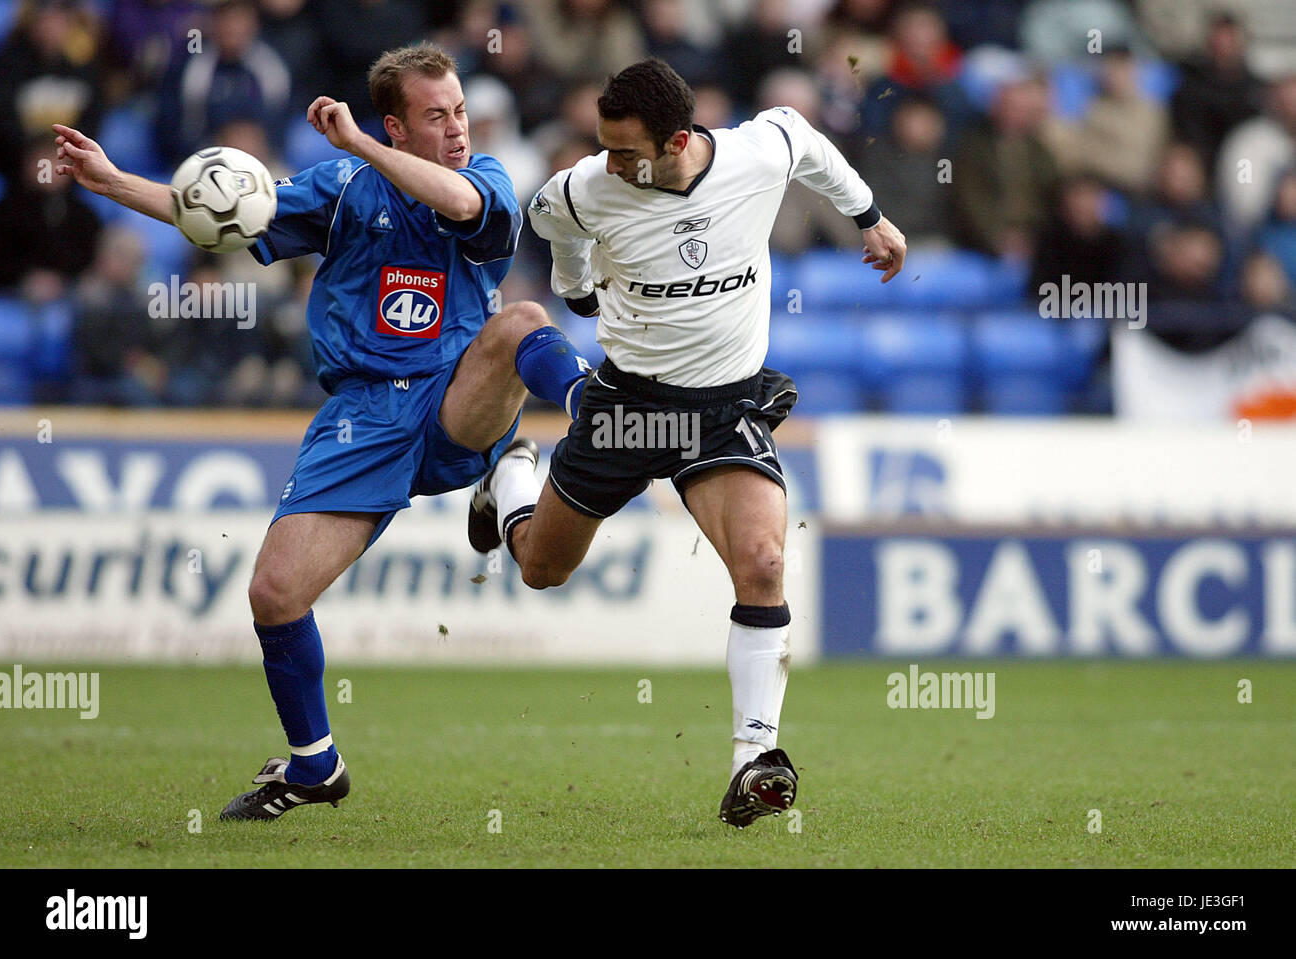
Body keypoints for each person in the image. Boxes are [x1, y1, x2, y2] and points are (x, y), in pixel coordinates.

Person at [53, 41, 590, 820]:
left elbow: (465, 208)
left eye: (461, 111)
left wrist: (360, 145)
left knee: (524, 322)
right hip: (363, 416)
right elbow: (222, 215)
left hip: (452, 398)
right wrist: (114, 182)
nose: (458, 128)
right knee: (273, 593)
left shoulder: (487, 177)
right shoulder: (338, 187)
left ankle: (580, 408)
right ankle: (315, 765)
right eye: (436, 116)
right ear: (396, 125)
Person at [468, 58, 907, 828]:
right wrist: (575, 286)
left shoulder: (753, 153)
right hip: (628, 405)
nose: (610, 162)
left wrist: (868, 217)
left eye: (626, 150)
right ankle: (507, 480)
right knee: (542, 569)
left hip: (723, 404)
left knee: (765, 563)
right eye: (603, 145)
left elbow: (807, 141)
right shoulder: (586, 184)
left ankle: (754, 760)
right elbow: (556, 224)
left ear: (678, 140)